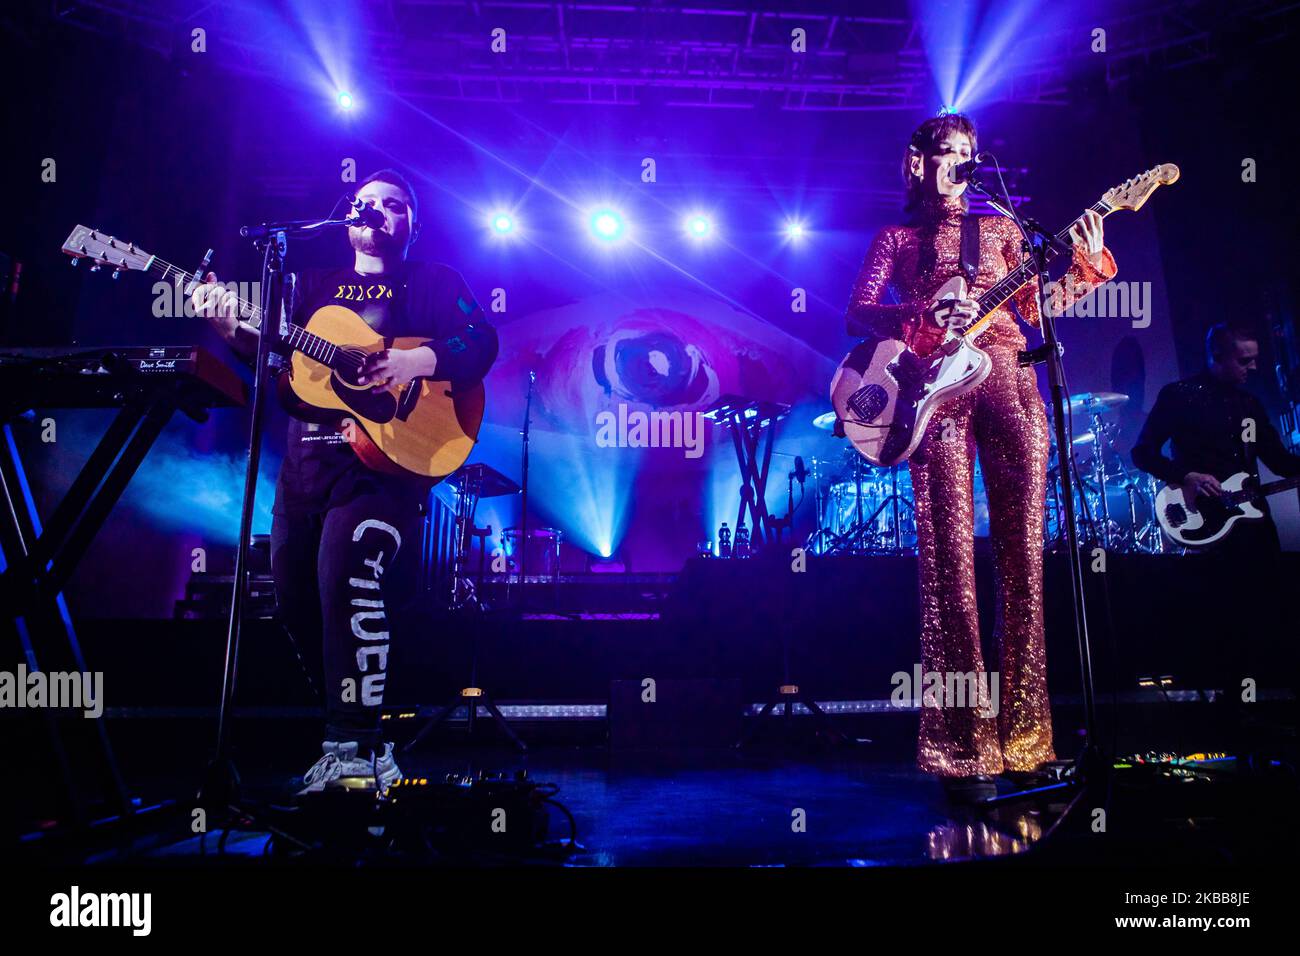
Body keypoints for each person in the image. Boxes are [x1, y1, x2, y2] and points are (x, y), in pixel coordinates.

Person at [193, 169, 498, 792]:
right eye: (370, 203)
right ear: (349, 216)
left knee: (346, 573)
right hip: (306, 466)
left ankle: (353, 749)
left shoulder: (433, 283)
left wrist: (414, 359)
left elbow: (480, 340)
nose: (380, 211)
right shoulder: (309, 287)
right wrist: (229, 328)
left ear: (412, 224)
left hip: (384, 470)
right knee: (295, 597)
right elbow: (281, 365)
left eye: (397, 205)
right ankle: (364, 734)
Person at [845, 113, 1116, 802]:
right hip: (932, 393)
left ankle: (1028, 742)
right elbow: (858, 313)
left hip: (1009, 381)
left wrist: (1088, 263)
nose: (959, 165)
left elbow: (1040, 305)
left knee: (1026, 560)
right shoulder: (897, 238)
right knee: (950, 575)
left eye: (968, 154)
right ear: (918, 162)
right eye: (946, 154)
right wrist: (919, 319)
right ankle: (964, 752)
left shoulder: (999, 227)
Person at [1132, 323, 1300, 555]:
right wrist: (1187, 476)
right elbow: (1142, 453)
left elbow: (1279, 461)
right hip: (1206, 524)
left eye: (1254, 359)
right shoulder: (1179, 396)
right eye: (1243, 360)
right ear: (1217, 356)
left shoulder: (1250, 405)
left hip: (1255, 527)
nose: (1253, 367)